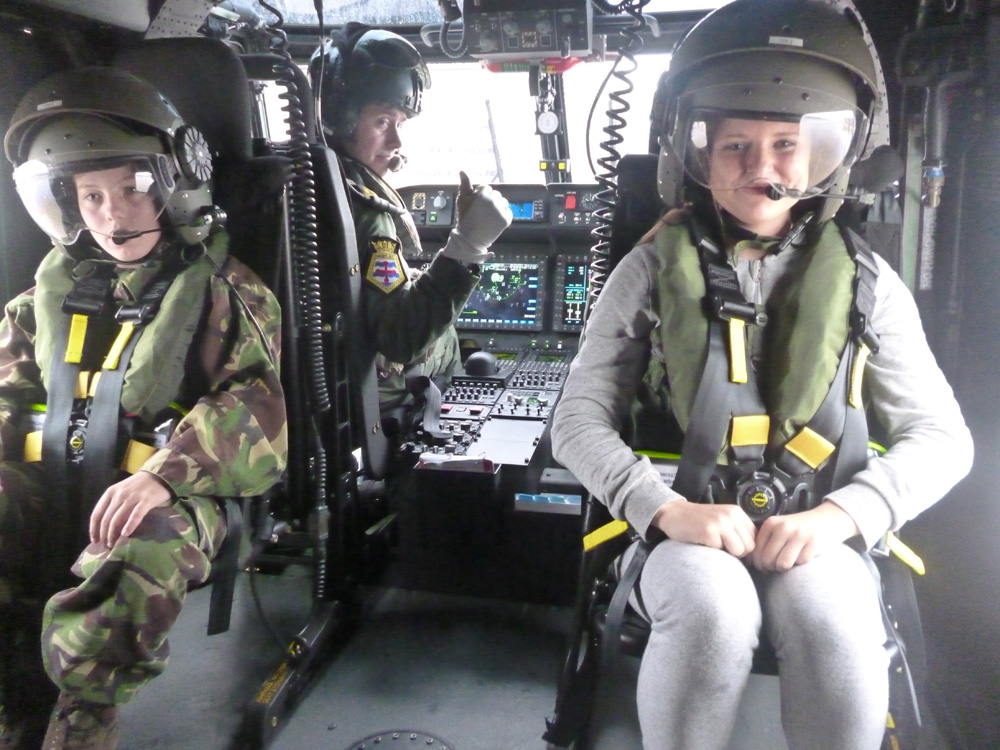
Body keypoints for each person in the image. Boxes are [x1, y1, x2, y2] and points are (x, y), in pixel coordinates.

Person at [549, 1, 974, 749]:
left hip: (818, 528)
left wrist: (844, 516)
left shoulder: (868, 283)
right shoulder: (646, 272)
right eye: (734, 144)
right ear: (695, 152)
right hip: (683, 529)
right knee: (713, 611)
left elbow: (944, 439)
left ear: (827, 155)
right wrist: (661, 509)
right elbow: (576, 420)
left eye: (787, 143)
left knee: (836, 615)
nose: (761, 167)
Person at [0, 67, 287, 749]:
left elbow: (259, 410)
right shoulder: (44, 298)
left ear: (173, 184)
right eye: (89, 196)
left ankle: (82, 718)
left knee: (142, 554)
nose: (110, 214)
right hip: (55, 471)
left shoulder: (227, 291)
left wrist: (164, 475)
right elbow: (7, 387)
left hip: (179, 489)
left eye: (131, 189)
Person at [309, 23, 512, 418]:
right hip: (373, 397)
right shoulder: (361, 210)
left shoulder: (295, 185)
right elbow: (402, 339)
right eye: (383, 122)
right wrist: (468, 246)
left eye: (400, 125)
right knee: (459, 349)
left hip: (321, 388)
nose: (397, 143)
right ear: (341, 117)